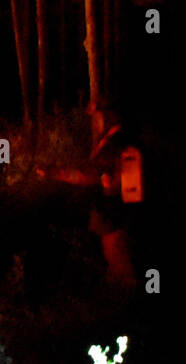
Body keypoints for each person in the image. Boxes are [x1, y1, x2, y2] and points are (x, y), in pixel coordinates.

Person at [38, 106, 139, 288]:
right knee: (117, 257)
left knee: (120, 262)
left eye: (97, 117)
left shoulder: (113, 143)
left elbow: (88, 174)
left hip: (113, 213)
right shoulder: (123, 138)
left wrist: (53, 172)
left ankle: (129, 301)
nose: (94, 122)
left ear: (107, 119)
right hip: (118, 211)